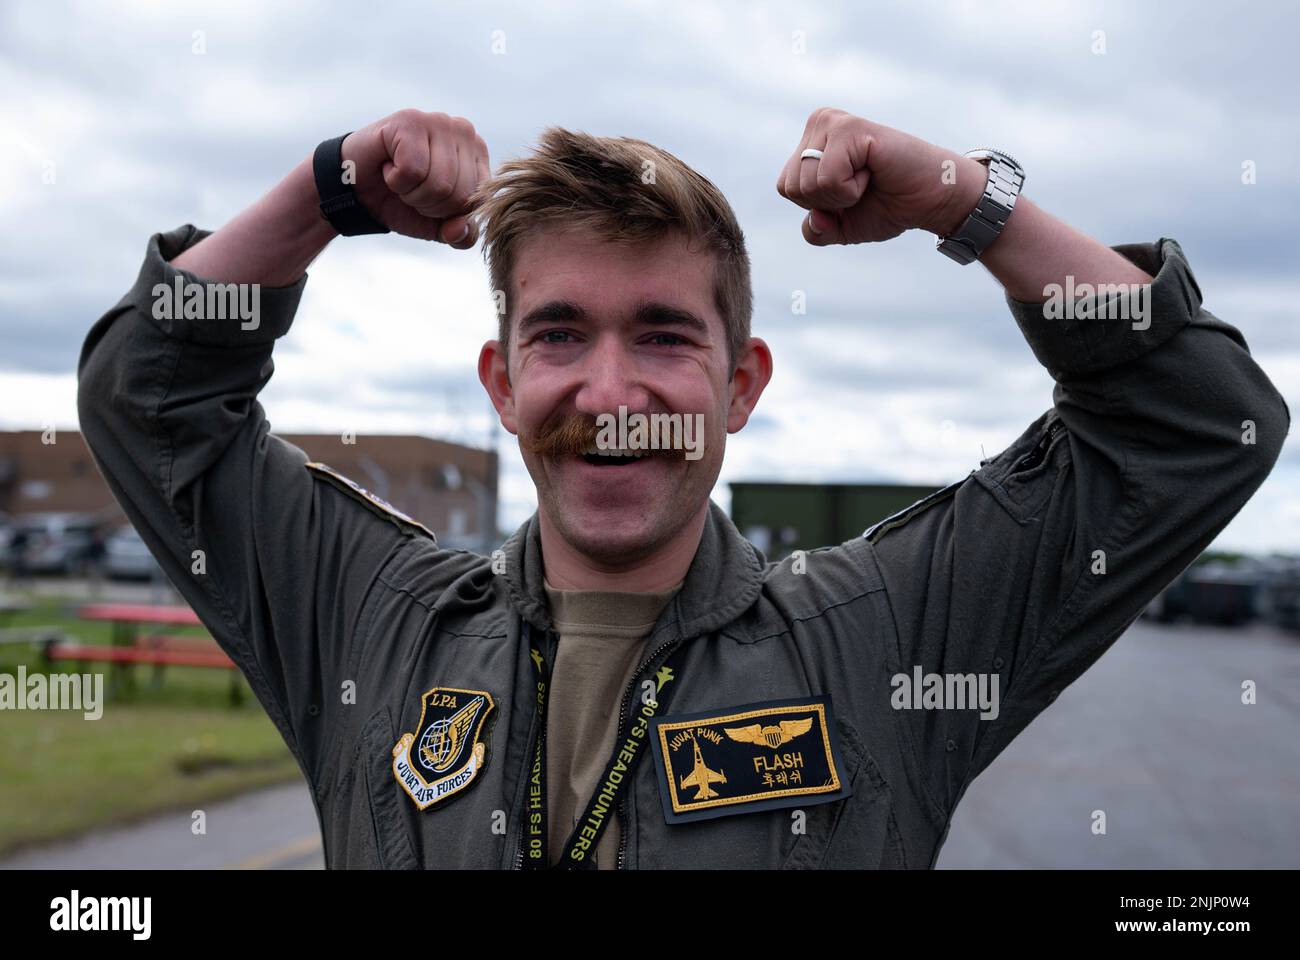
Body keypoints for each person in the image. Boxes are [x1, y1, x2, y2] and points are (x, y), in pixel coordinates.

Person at [77, 108, 1288, 869]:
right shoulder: (369, 617)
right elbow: (150, 404)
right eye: (559, 335)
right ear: (502, 384)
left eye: (662, 335)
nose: (609, 393)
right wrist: (326, 193)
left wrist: (962, 199)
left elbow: (1191, 422)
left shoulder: (884, 636)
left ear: (740, 383)